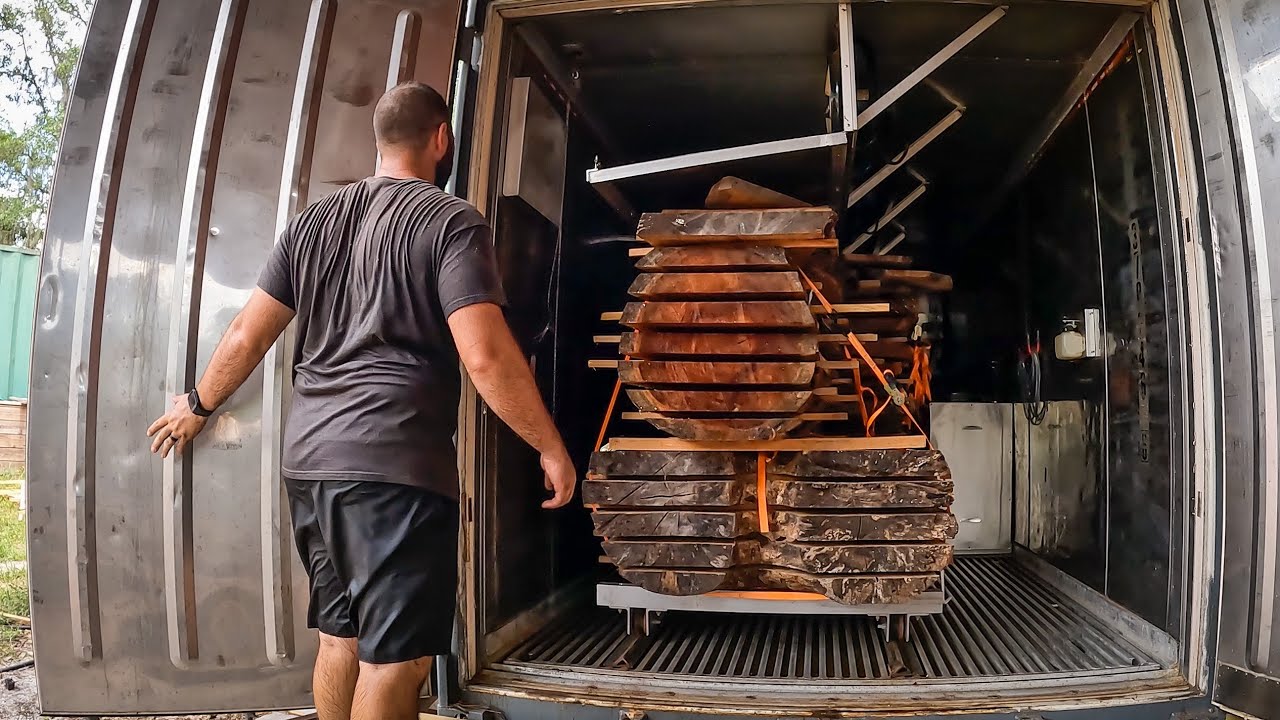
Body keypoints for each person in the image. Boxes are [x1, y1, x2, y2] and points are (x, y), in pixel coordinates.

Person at [145, 82, 576, 720]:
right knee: (397, 661)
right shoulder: (450, 221)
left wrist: (198, 404)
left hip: (312, 464)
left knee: (340, 638)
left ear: (380, 141)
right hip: (394, 469)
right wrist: (550, 445)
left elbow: (247, 332)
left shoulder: (311, 223)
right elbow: (484, 354)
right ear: (442, 138)